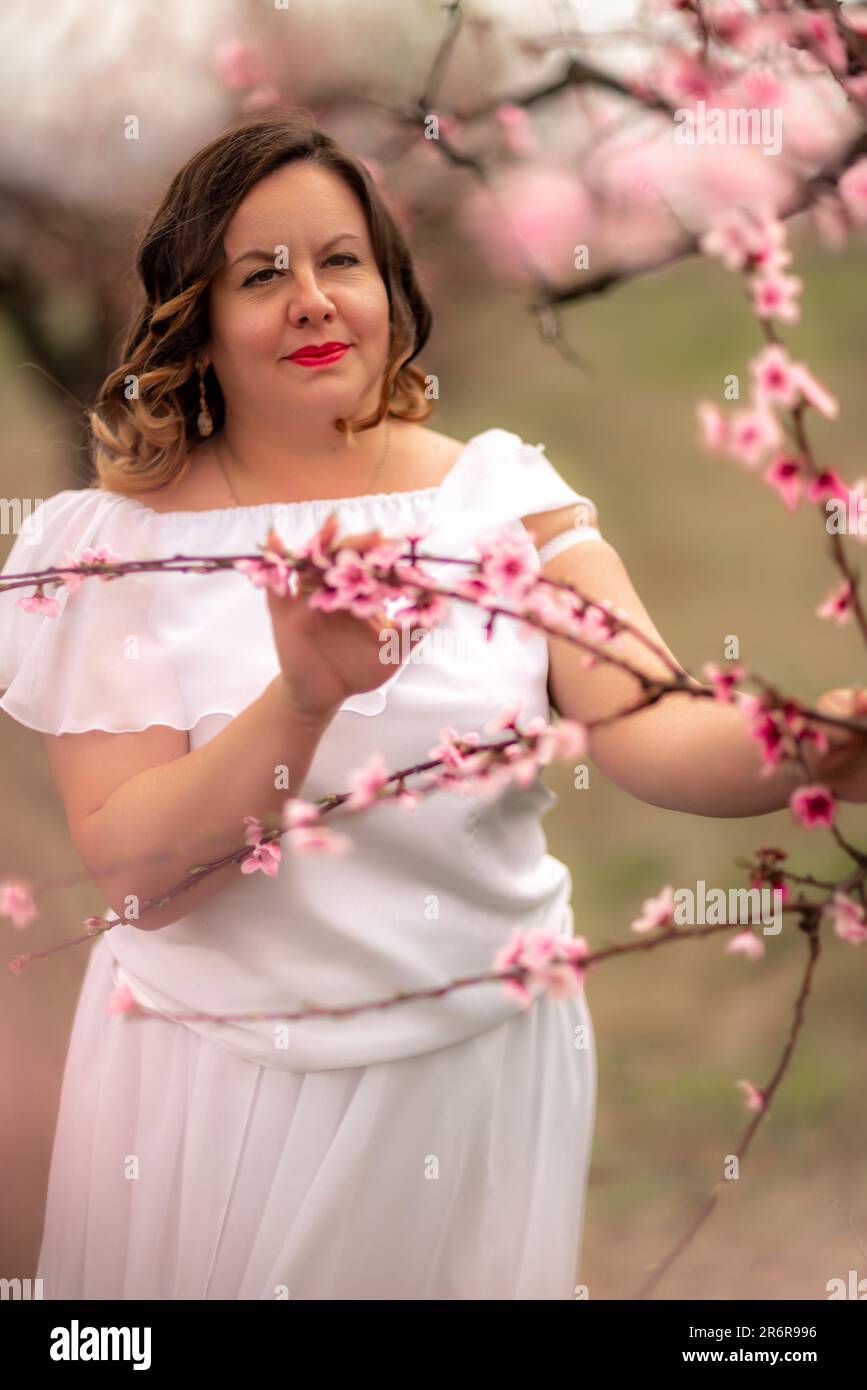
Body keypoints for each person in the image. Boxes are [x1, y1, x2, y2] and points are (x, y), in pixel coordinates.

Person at [3, 112, 865, 1302]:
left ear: (391, 291)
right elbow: (140, 875)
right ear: (193, 322)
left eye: (340, 260)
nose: (312, 299)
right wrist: (302, 699)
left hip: (472, 1069)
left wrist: (814, 740)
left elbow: (653, 727)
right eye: (261, 275)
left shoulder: (500, 498)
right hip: (211, 1083)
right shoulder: (113, 552)